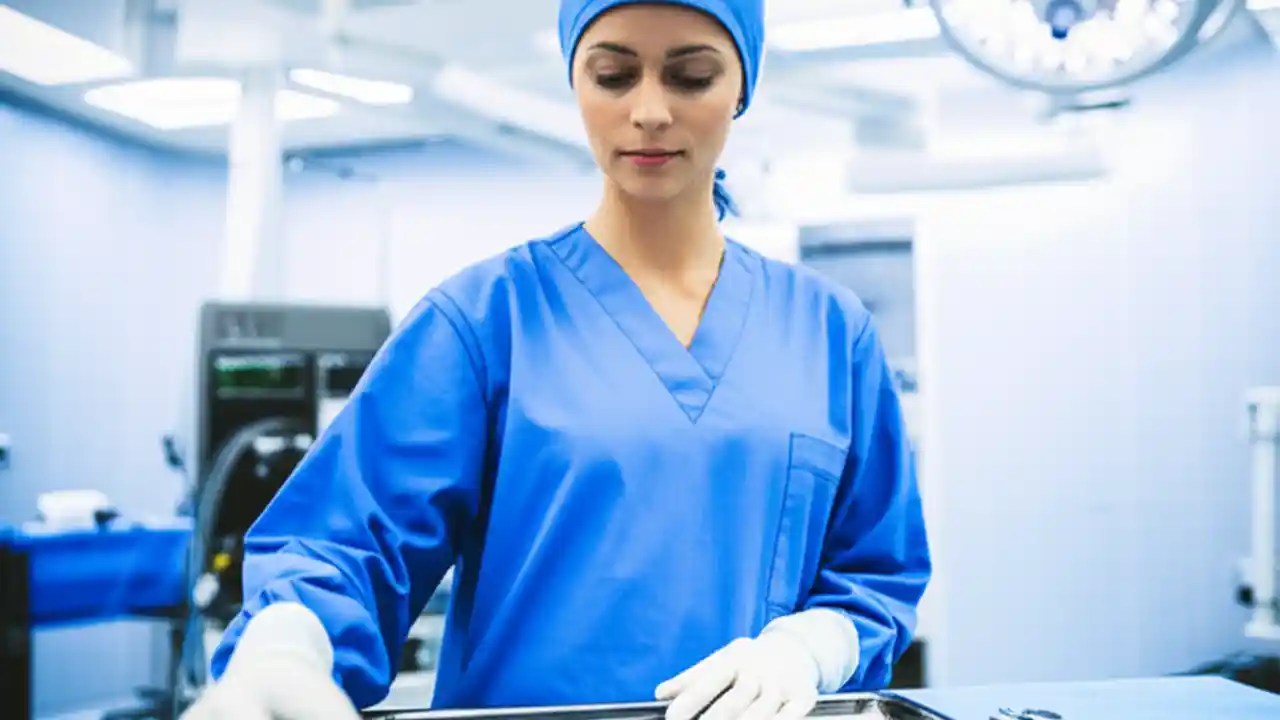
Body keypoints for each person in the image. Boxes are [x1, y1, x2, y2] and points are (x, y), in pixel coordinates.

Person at [181, 1, 931, 719]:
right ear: (575, 79)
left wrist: (811, 647)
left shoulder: (831, 333)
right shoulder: (485, 320)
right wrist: (283, 651)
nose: (648, 111)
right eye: (612, 75)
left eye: (690, 76)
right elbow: (346, 543)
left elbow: (875, 571)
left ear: (741, 87)